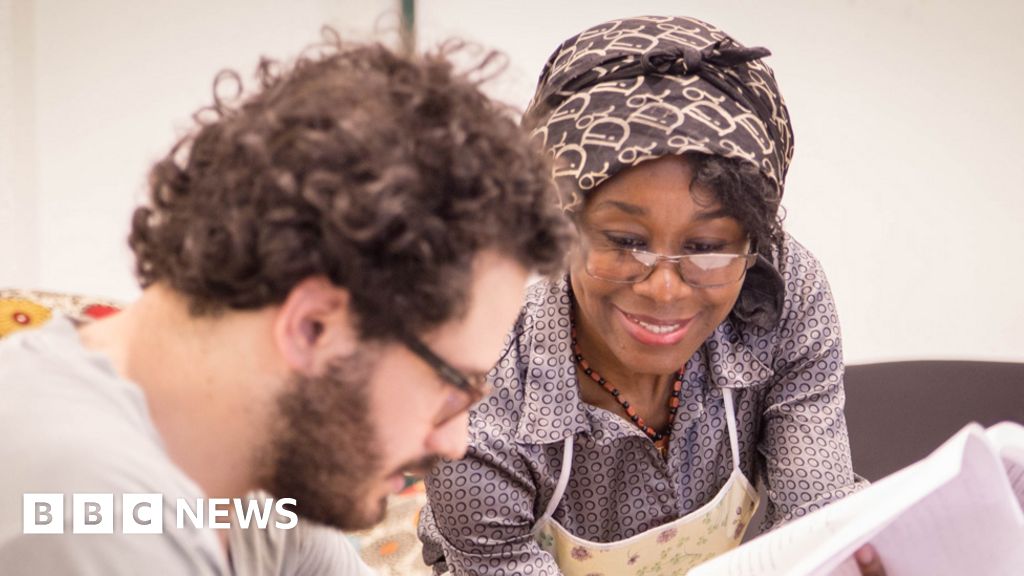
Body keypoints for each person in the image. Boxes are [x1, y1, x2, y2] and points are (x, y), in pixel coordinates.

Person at [0, 32, 572, 575]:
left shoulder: (251, 488)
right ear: (313, 327)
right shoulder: (80, 507)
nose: (455, 442)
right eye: (454, 389)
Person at [419, 15, 884, 576]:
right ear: (559, 226)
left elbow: (818, 523)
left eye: (708, 245)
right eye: (625, 241)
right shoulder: (485, 383)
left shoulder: (784, 299)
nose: (664, 288)